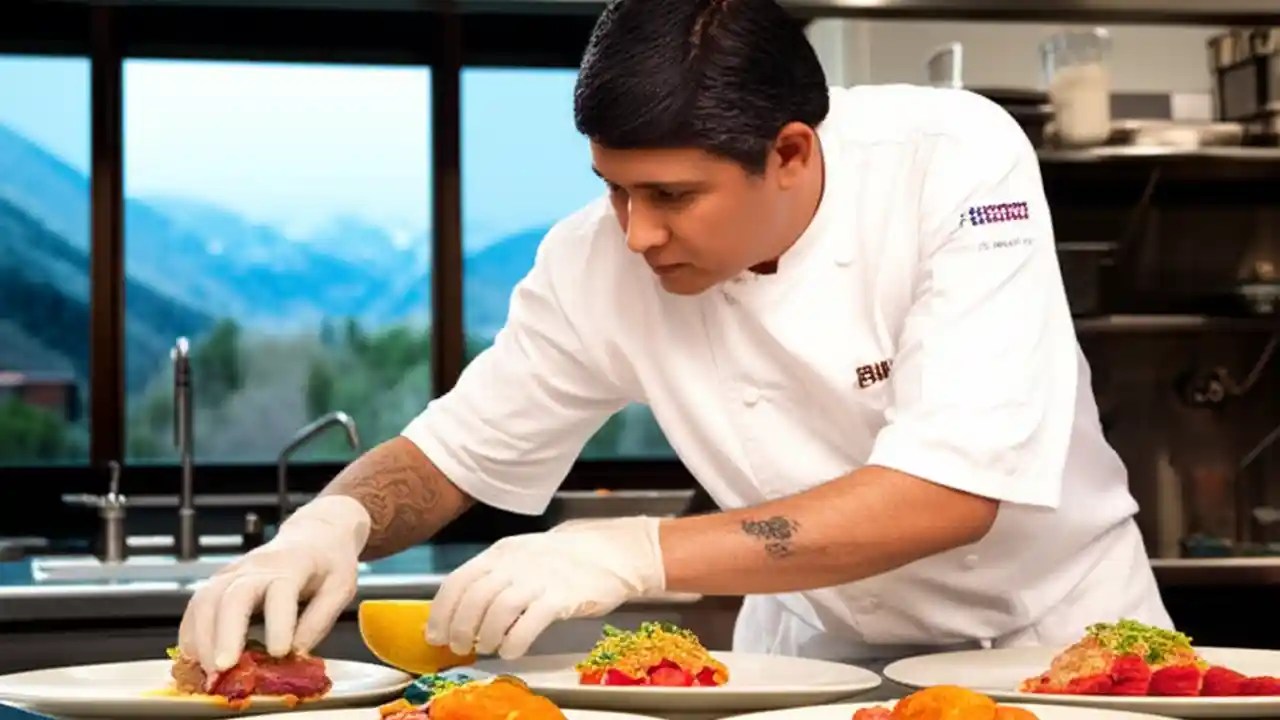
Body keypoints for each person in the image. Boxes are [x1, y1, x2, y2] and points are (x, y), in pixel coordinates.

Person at [178, 0, 1172, 675]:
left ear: (788, 152)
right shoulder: (592, 261)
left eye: (671, 195)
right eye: (612, 188)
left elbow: (948, 494)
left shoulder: (950, 163)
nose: (636, 232)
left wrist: (638, 551)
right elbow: (453, 453)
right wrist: (329, 524)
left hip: (1054, 637)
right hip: (810, 646)